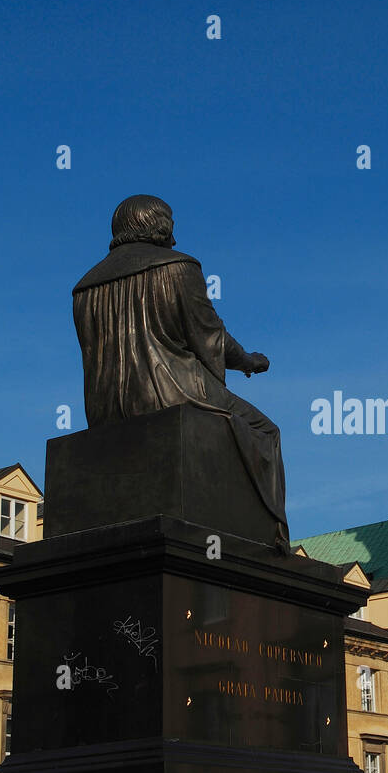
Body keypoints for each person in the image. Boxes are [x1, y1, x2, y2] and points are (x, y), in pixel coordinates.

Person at [72, 195, 289, 546]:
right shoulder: (179, 266)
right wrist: (248, 361)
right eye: (170, 221)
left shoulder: (84, 287)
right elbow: (209, 335)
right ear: (156, 224)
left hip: (104, 410)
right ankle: (270, 540)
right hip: (173, 393)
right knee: (265, 430)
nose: (174, 232)